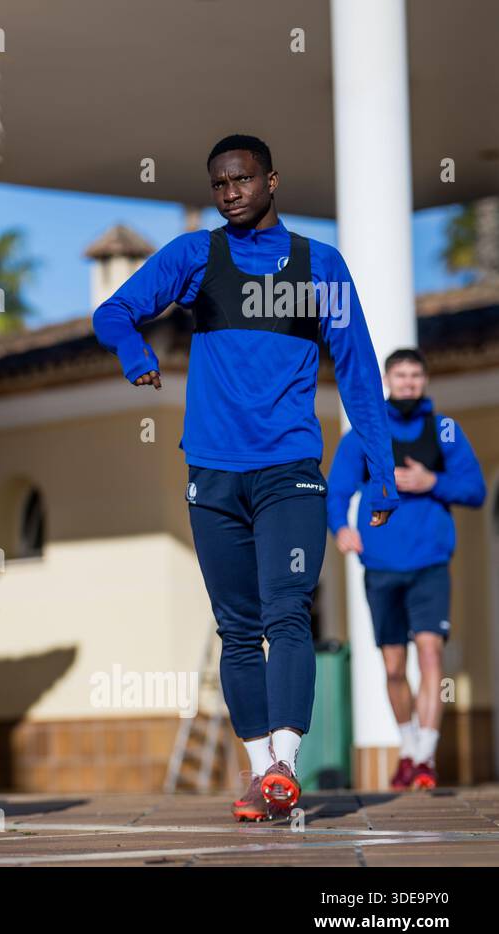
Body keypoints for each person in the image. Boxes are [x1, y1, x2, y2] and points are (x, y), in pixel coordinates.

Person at [93, 133, 398, 822]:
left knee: (286, 610)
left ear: (272, 181)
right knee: (236, 627)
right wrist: (133, 349)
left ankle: (286, 763)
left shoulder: (321, 265)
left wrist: (382, 473)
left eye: (242, 179)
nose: (230, 192)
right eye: (219, 183)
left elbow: (357, 372)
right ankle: (263, 777)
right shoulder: (195, 256)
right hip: (213, 474)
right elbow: (112, 310)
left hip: (289, 470)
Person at [327, 348, 486, 790]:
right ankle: (408, 748)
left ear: (425, 379)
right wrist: (340, 528)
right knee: (394, 666)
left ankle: (426, 760)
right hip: (380, 565)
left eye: (417, 375)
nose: (409, 383)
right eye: (401, 375)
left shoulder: (445, 430)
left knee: (430, 652)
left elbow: (475, 490)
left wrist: (432, 482)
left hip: (430, 563)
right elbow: (336, 491)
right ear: (387, 379)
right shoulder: (364, 431)